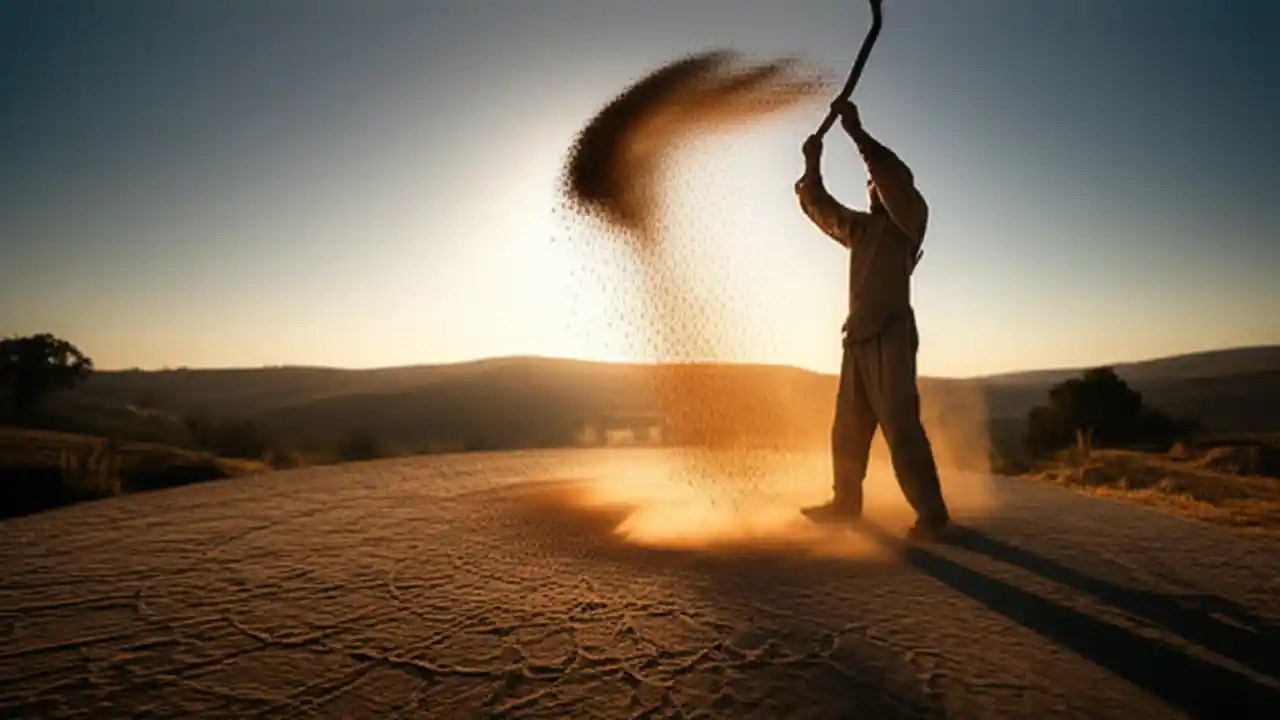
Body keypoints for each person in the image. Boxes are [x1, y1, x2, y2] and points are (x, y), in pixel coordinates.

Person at [795, 100, 951, 540]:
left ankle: (932, 513)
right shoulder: (861, 230)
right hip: (858, 337)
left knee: (900, 421)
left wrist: (857, 133)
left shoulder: (909, 222)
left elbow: (892, 176)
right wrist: (812, 166)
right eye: (870, 186)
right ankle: (846, 502)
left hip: (890, 333)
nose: (873, 189)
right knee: (847, 427)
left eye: (878, 184)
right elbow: (822, 209)